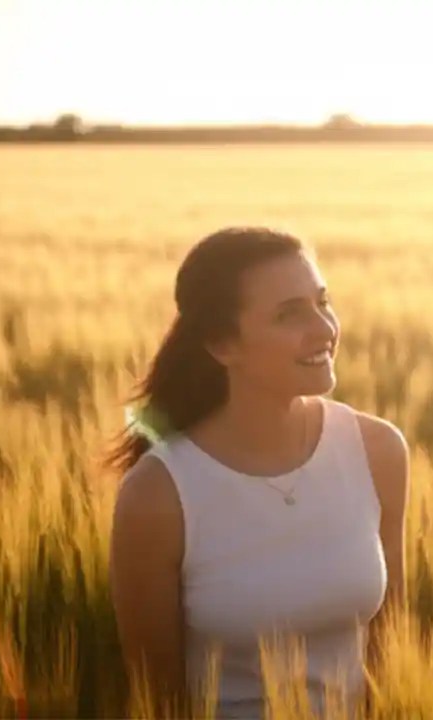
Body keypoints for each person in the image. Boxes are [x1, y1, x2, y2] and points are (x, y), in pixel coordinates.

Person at [106, 226, 410, 718]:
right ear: (223, 345)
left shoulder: (377, 451)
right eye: (289, 314)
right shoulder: (159, 494)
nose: (324, 328)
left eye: (322, 302)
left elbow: (389, 644)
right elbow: (158, 698)